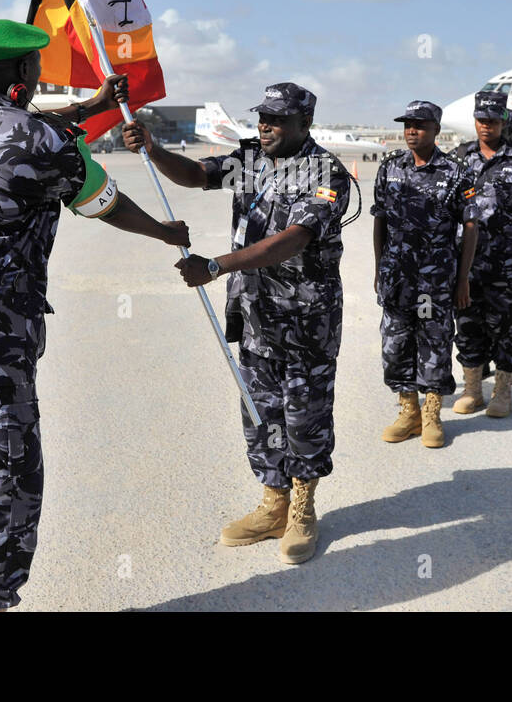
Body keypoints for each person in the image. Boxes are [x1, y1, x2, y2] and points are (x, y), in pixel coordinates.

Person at [0, 19, 188, 612]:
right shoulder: (43, 144)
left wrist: (90, 105)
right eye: (36, 67)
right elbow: (103, 202)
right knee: (1, 475)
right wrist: (164, 232)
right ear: (28, 70)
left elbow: (12, 125)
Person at [122, 82, 351, 564]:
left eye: (278, 119)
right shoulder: (249, 159)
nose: (265, 125)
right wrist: (152, 147)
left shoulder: (326, 171)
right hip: (253, 313)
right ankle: (273, 503)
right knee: (259, 410)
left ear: (304, 123)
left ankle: (303, 508)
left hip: (304, 319)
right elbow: (196, 175)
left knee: (303, 415)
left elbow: (294, 239)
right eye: (262, 116)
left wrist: (216, 265)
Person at [372, 101, 472, 449]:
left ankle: (432, 413)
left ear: (435, 131)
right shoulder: (390, 167)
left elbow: (470, 226)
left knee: (434, 342)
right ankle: (408, 411)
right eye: (408, 125)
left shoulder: (455, 171)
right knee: (395, 344)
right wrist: (378, 268)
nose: (412, 131)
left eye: (420, 125)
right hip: (397, 277)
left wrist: (463, 278)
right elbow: (380, 219)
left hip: (435, 281)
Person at [451, 91, 512, 416]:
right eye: (481, 120)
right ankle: (473, 389)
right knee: (468, 324)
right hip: (468, 263)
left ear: (504, 121)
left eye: (492, 120)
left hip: (508, 261)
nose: (485, 126)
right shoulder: (460, 157)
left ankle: (502, 391)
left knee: (507, 326)